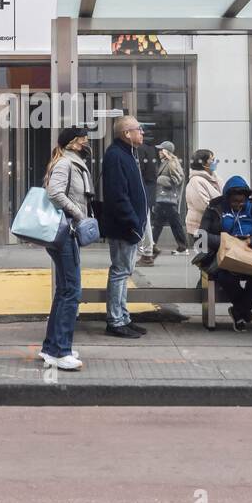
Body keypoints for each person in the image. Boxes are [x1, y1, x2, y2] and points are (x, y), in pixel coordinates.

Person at [42, 126, 94, 370]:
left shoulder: (69, 162)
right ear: (73, 143)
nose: (87, 143)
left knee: (64, 290)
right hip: (65, 232)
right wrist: (78, 214)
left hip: (64, 233)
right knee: (71, 290)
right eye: (84, 139)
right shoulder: (65, 164)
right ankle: (61, 351)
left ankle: (52, 348)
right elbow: (54, 193)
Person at [192, 175, 252, 331]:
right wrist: (227, 241)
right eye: (234, 201)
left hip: (248, 255)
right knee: (224, 276)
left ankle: (239, 309)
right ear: (227, 198)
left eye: (242, 201)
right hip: (222, 257)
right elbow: (201, 236)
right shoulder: (215, 208)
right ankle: (244, 310)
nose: (238, 205)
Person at [100, 115, 149, 338]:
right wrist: (132, 222)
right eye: (139, 129)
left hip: (130, 226)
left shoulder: (127, 154)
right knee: (120, 272)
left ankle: (123, 317)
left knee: (124, 271)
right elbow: (118, 195)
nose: (142, 133)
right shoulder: (116, 155)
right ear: (126, 134)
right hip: (124, 227)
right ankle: (115, 320)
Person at [152, 141, 187, 253]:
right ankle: (151, 245)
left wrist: (162, 180)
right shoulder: (165, 162)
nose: (159, 152)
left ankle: (182, 246)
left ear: (166, 151)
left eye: (161, 150)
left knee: (173, 223)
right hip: (164, 199)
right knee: (160, 223)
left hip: (168, 199)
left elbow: (178, 180)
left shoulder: (171, 163)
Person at [184, 150, 221, 246]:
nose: (215, 162)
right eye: (212, 160)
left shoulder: (214, 178)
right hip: (200, 227)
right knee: (203, 257)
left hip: (212, 226)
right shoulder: (196, 181)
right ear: (203, 163)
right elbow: (204, 205)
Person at [135, 137, 160, 267]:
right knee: (146, 218)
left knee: (144, 219)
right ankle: (150, 247)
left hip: (144, 186)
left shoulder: (140, 149)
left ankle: (147, 252)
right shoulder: (152, 149)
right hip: (150, 186)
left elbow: (140, 169)